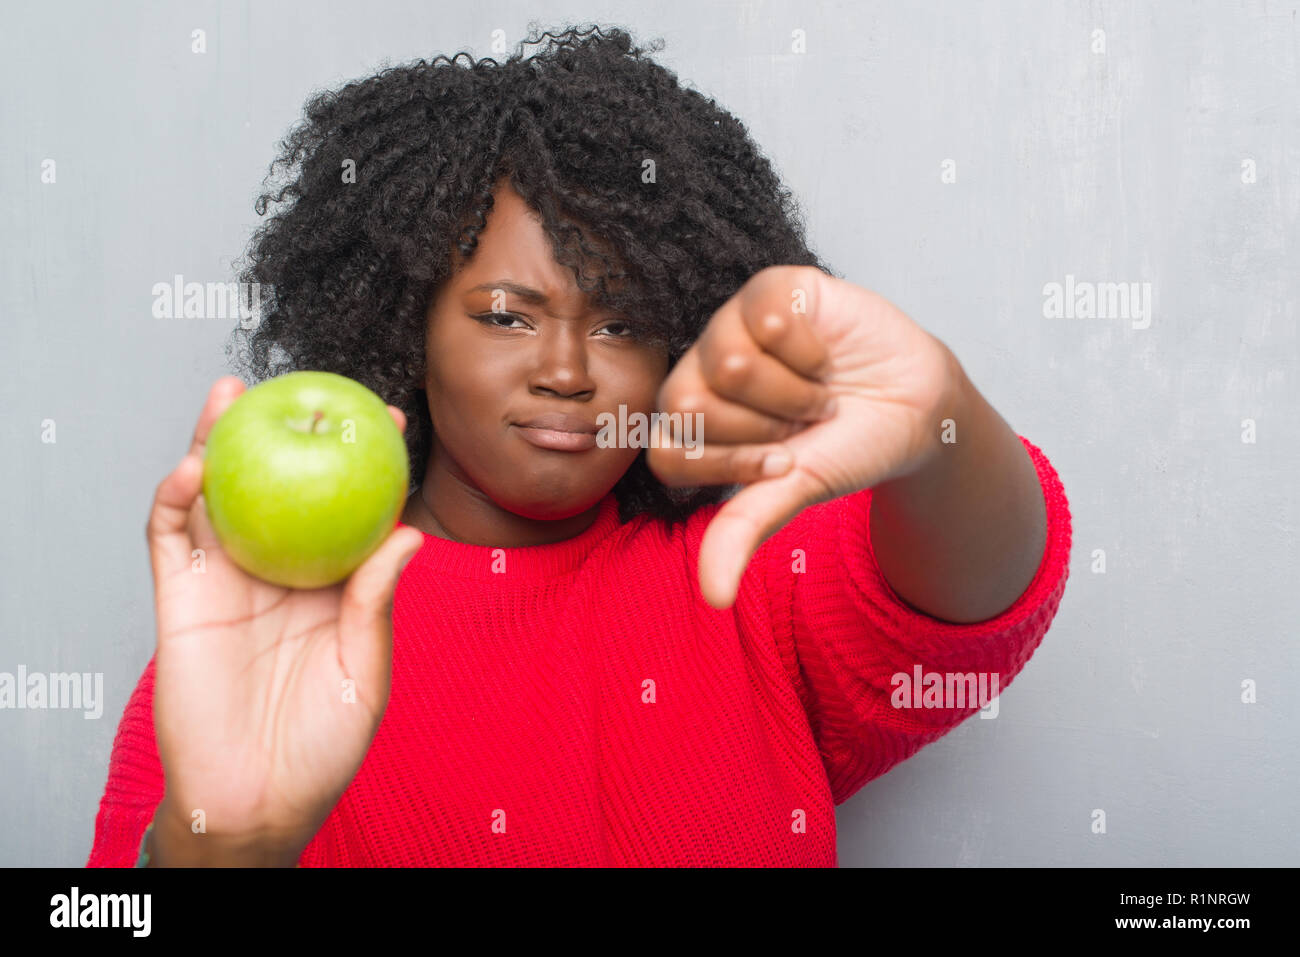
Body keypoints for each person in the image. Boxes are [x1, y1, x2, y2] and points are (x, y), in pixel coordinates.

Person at [87, 24, 1071, 867]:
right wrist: (218, 850)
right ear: (404, 332)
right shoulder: (262, 649)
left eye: (619, 325)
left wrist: (943, 418)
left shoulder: (740, 583)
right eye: (507, 317)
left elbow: (968, 610)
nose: (568, 370)